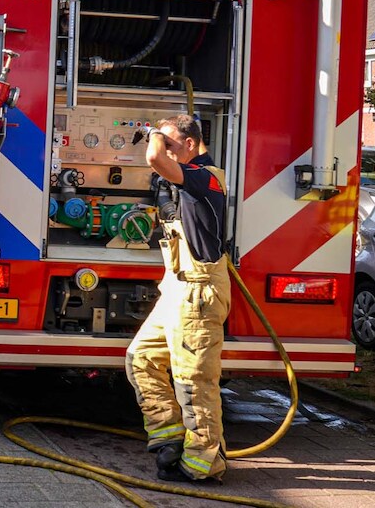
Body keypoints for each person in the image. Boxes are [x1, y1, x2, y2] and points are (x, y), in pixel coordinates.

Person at [126, 114, 230, 483]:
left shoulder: (206, 177)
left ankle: (203, 464)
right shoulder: (191, 181)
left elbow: (155, 159)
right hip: (178, 289)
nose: (163, 150)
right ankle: (169, 438)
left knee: (193, 381)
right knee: (141, 357)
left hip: (199, 293)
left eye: (171, 144)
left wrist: (153, 133)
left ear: (189, 144)